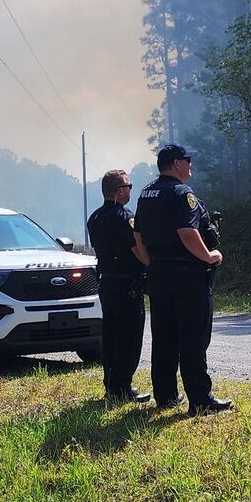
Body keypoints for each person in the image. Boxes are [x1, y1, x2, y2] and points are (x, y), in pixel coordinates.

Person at [132, 144, 233, 416]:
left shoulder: (145, 193)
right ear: (176, 163)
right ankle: (200, 400)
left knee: (164, 337)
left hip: (158, 276)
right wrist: (210, 256)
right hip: (187, 277)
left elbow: (138, 236)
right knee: (193, 338)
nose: (191, 165)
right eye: (188, 160)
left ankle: (165, 396)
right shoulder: (181, 192)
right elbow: (188, 232)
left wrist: (151, 262)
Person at [84, 168, 148, 402]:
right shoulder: (124, 217)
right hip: (126, 285)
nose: (130, 190)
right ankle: (123, 388)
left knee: (110, 336)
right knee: (129, 338)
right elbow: (139, 252)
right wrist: (154, 264)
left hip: (106, 283)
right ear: (120, 191)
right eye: (129, 186)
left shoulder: (95, 217)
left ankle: (111, 385)